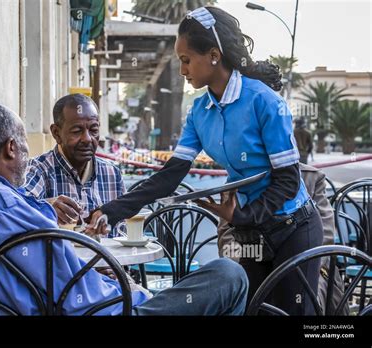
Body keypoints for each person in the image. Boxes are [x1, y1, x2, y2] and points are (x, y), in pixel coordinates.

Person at [86, 6, 323, 315]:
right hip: (252, 233)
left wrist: (243, 214)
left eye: (186, 61)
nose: (183, 70)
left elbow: (289, 181)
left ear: (213, 55)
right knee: (251, 309)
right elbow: (169, 176)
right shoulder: (199, 112)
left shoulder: (265, 101)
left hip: (294, 228)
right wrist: (111, 210)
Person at [0, 101, 248, 316]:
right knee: (229, 274)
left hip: (75, 299)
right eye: (23, 141)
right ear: (11, 147)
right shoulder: (1, 199)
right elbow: (74, 291)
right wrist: (135, 293)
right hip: (102, 308)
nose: (87, 139)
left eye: (93, 129)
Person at [217, 163, 348, 314]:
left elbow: (325, 237)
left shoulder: (310, 176)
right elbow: (227, 239)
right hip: (254, 265)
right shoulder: (237, 182)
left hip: (304, 267)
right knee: (247, 289)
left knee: (301, 295)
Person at [23, 94, 125, 226]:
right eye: (77, 131)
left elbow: (124, 229)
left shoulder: (112, 173)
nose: (88, 139)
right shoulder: (39, 169)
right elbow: (17, 207)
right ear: (56, 133)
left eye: (94, 130)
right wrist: (45, 206)